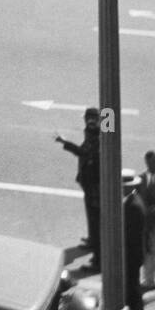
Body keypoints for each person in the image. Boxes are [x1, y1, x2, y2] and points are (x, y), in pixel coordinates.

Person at [56, 108, 101, 268]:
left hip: (95, 186)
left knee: (96, 219)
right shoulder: (92, 131)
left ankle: (97, 256)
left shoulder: (98, 134)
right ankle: (92, 240)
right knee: (91, 214)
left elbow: (84, 152)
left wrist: (65, 143)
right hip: (89, 183)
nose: (87, 122)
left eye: (90, 119)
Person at [123, 170, 147, 310]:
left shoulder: (132, 206)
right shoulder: (135, 200)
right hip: (136, 251)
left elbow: (130, 234)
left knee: (133, 286)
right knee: (132, 284)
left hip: (132, 252)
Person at [141, 150, 155, 292]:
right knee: (149, 251)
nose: (149, 166)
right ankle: (149, 281)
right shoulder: (143, 177)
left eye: (152, 163)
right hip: (150, 222)